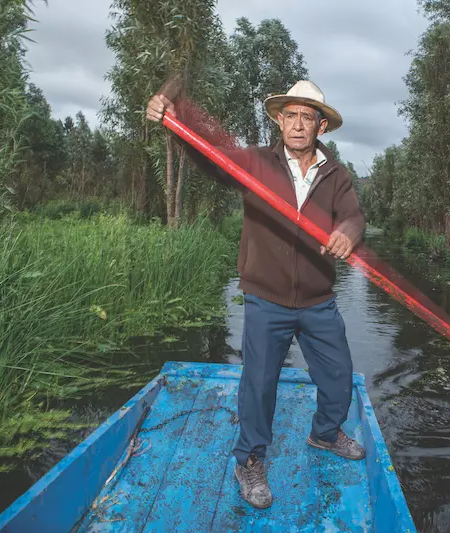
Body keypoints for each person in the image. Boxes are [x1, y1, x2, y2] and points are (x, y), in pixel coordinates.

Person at [146, 78, 366, 509]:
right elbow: (212, 159)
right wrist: (175, 123)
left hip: (319, 298)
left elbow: (355, 217)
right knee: (259, 383)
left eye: (307, 117)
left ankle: (324, 433)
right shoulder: (257, 163)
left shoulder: (336, 175)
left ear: (321, 126)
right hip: (267, 296)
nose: (298, 125)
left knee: (339, 375)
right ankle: (250, 461)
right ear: (279, 121)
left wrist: (346, 234)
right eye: (291, 116)